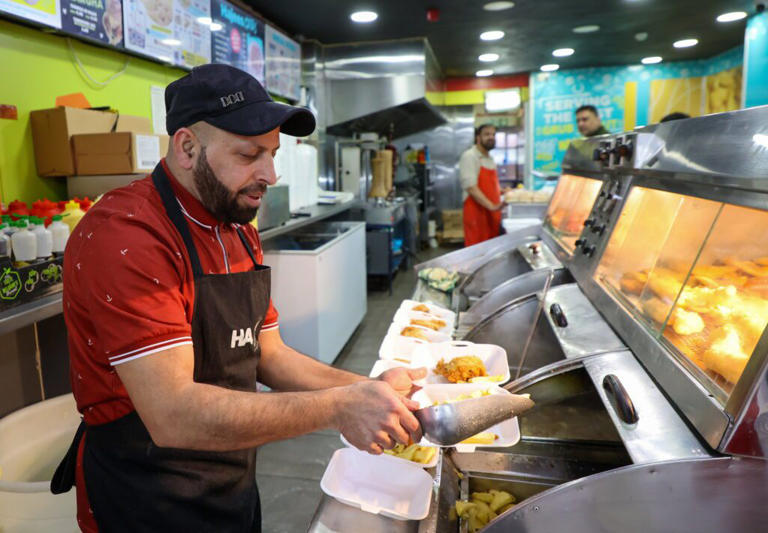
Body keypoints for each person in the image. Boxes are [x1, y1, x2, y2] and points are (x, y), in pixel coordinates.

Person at [51, 64, 425, 533]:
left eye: (273, 153)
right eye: (250, 154)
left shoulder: (235, 227)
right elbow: (173, 414)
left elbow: (269, 354)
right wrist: (338, 407)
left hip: (230, 482)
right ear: (187, 147)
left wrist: (368, 390)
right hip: (146, 496)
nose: (270, 174)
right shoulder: (128, 236)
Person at [459, 123, 506, 246]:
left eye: (493, 134)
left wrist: (502, 191)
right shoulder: (470, 156)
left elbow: (492, 185)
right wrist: (492, 206)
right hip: (477, 215)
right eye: (487, 134)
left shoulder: (490, 158)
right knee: (476, 252)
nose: (491, 137)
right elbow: (471, 187)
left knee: (491, 251)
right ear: (478, 137)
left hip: (492, 216)